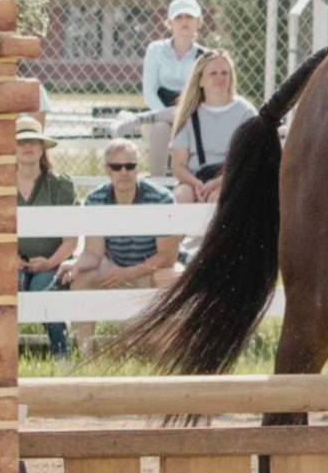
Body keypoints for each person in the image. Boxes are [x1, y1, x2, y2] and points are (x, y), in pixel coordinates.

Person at [55, 140, 181, 351]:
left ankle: (165, 357)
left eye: (130, 166)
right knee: (83, 278)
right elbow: (94, 253)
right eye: (117, 167)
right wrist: (76, 265)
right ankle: (88, 358)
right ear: (107, 170)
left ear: (137, 168)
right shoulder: (96, 200)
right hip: (116, 269)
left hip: (151, 271)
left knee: (167, 278)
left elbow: (167, 257)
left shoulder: (161, 199)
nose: (124, 172)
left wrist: (129, 273)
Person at [113, 0, 207, 176]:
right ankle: (159, 183)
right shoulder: (155, 50)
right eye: (179, 17)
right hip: (158, 116)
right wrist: (165, 116)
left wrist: (180, 118)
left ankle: (134, 119)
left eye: (190, 17)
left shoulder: (204, 56)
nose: (184, 22)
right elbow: (149, 92)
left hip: (191, 116)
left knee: (173, 127)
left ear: (198, 22)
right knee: (161, 128)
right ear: (169, 23)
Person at [15, 117, 76, 359]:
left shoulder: (59, 185)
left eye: (33, 141)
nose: (27, 147)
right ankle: (1, 362)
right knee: (9, 288)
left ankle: (62, 358)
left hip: (51, 262)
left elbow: (71, 240)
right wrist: (9, 257)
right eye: (21, 142)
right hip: (13, 262)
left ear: (42, 148)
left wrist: (49, 263)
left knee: (45, 290)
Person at [168, 50, 257, 204]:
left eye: (224, 73)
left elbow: (250, 160)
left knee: (217, 198)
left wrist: (217, 183)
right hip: (196, 179)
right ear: (200, 80)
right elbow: (178, 165)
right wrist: (198, 184)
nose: (220, 78)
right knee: (180, 197)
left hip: (232, 177)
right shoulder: (190, 114)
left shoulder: (245, 112)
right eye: (213, 73)